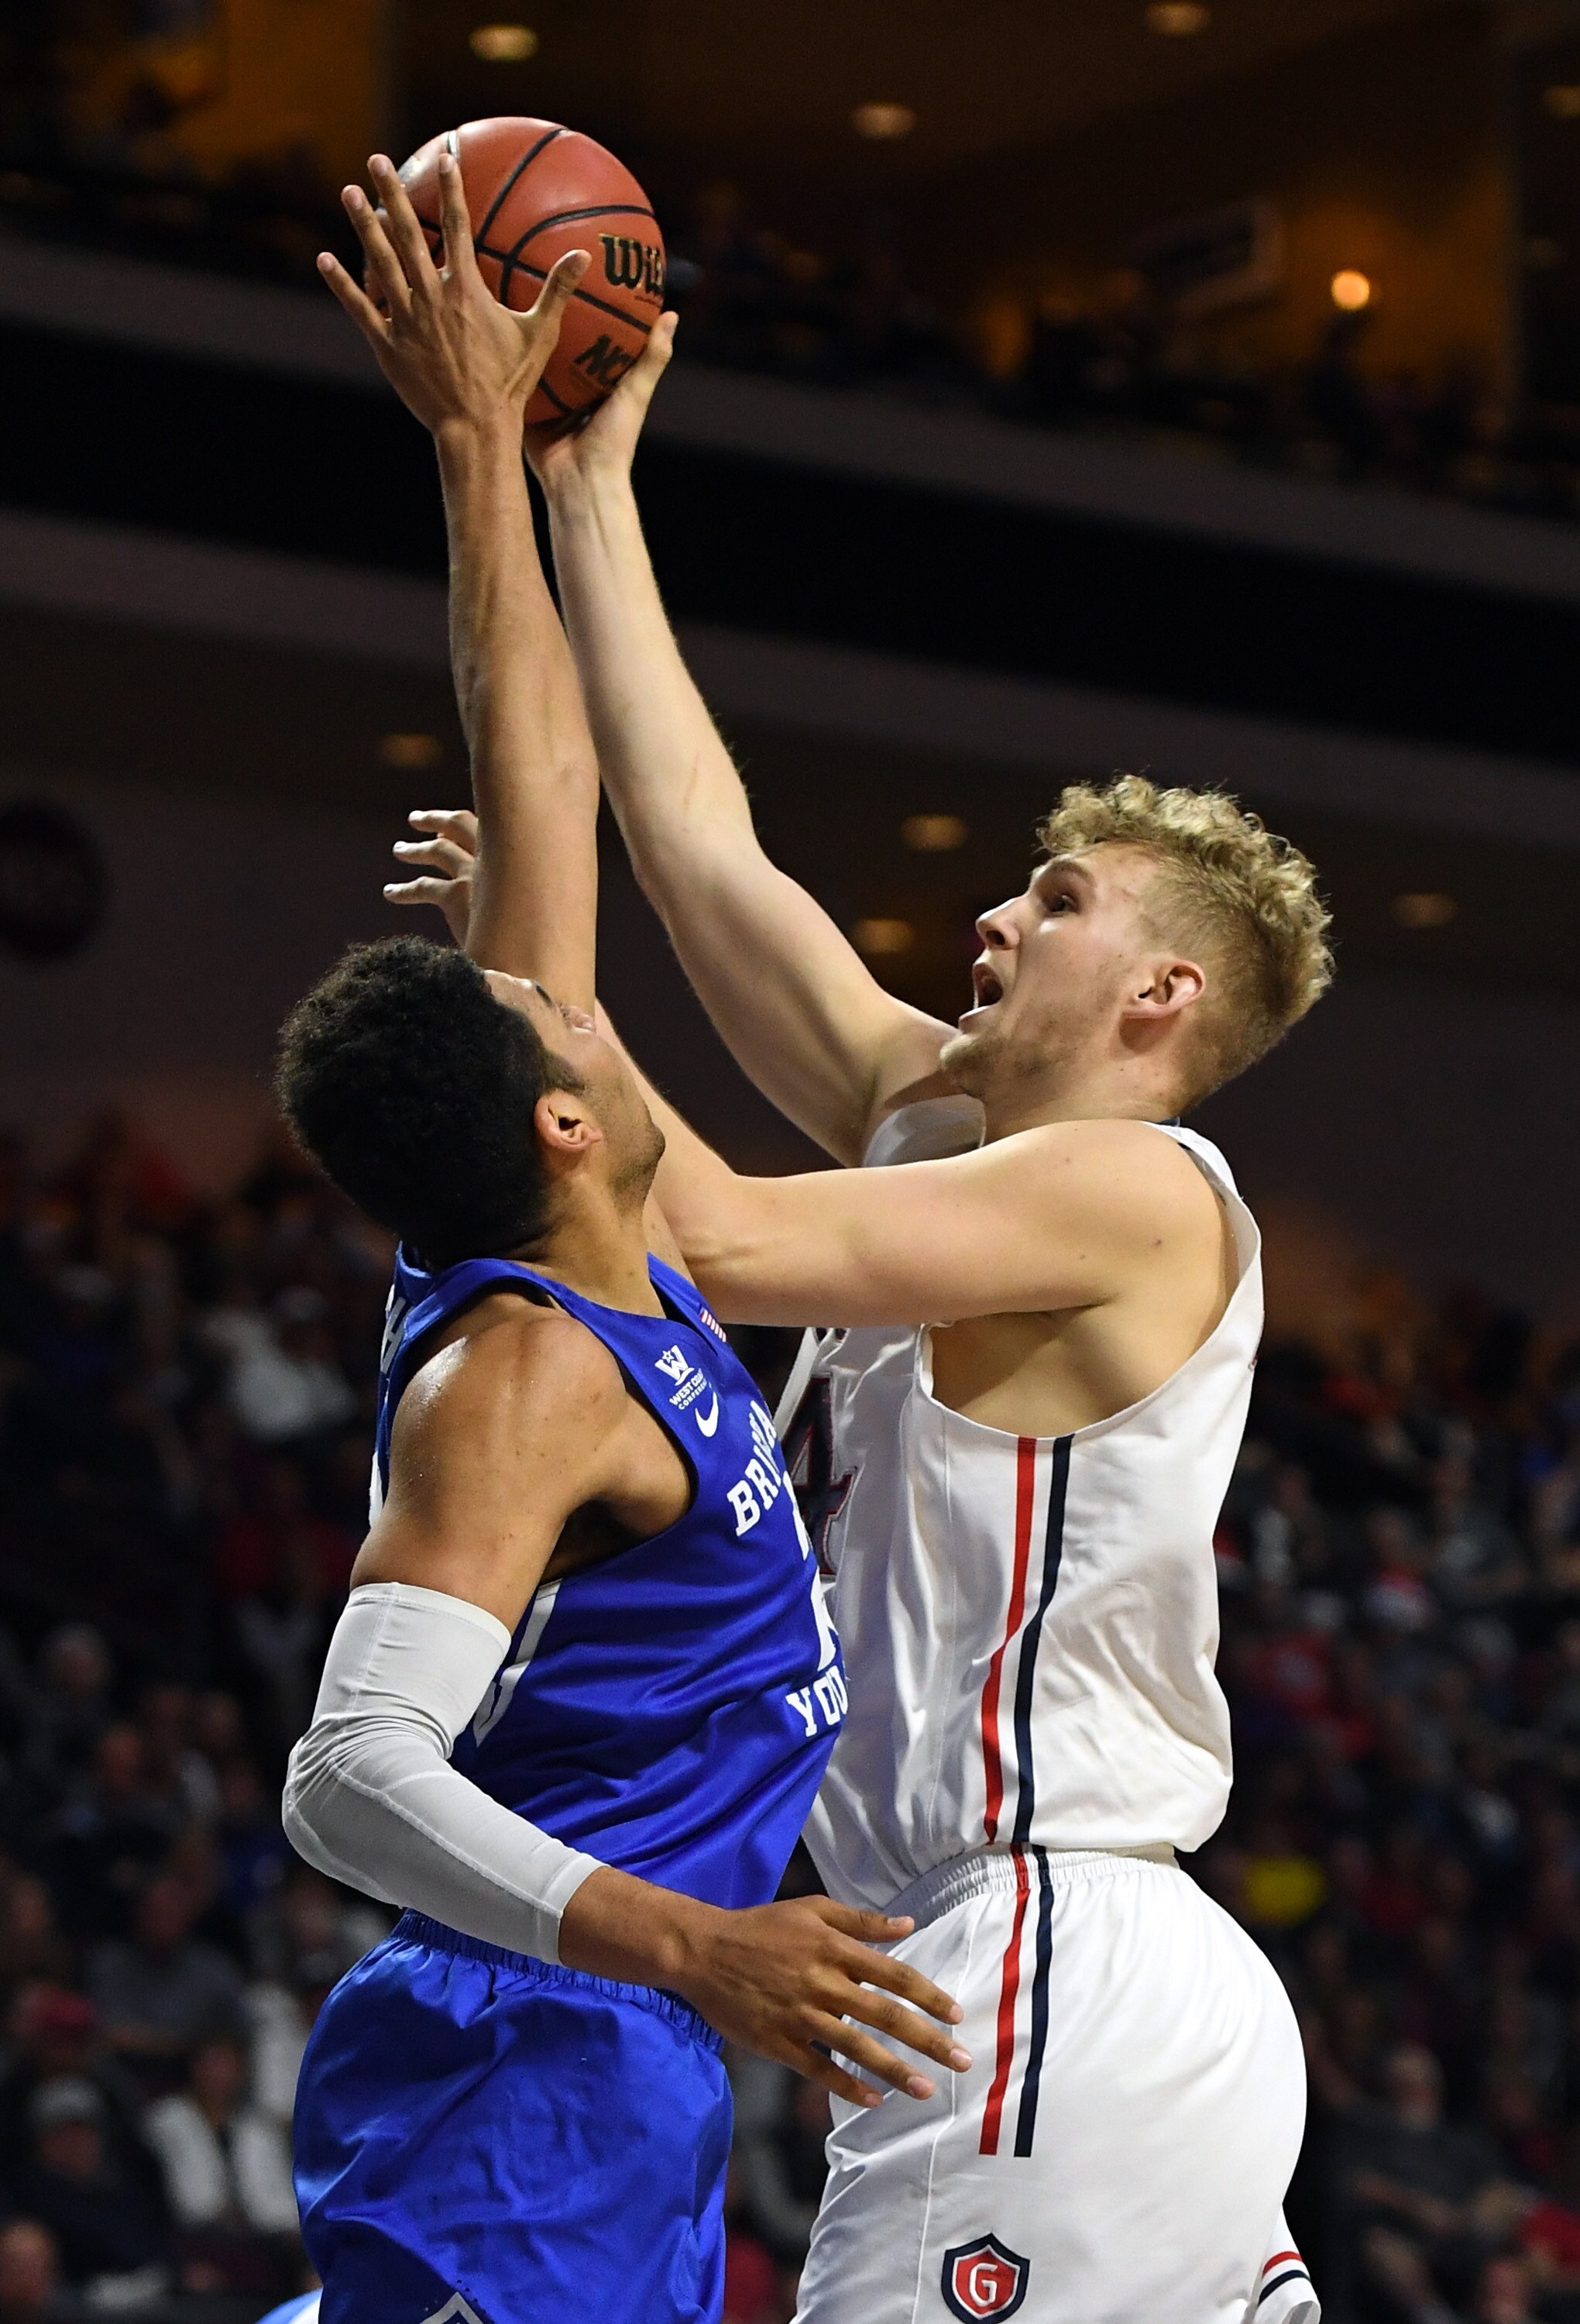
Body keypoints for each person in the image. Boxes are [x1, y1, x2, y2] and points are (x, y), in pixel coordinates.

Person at [386, 195, 1334, 2319]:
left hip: (1044, 1948)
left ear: (1164, 996)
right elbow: (702, 846)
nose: (994, 916)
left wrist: (525, 1004)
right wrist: (585, 481)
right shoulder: (944, 1131)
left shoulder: (1141, 1192)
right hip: (1015, 1972)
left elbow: (697, 1229)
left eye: (1057, 899)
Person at [276, 151, 968, 2324]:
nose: (578, 981)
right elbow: (348, 1777)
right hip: (525, 2067)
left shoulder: (608, 1254)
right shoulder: (524, 1373)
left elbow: (544, 773)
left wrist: (496, 445)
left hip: (611, 2067)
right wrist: (695, 1941)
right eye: (561, 1003)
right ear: (568, 1121)